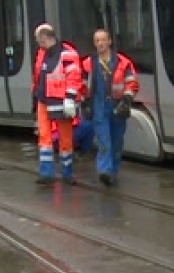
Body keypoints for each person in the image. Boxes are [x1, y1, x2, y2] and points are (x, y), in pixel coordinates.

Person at [81, 28, 140, 187]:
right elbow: (82, 84)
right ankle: (105, 171)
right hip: (98, 106)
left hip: (118, 106)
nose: (100, 43)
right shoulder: (88, 64)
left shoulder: (123, 62)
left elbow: (132, 82)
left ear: (109, 41)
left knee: (117, 141)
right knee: (104, 140)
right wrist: (83, 102)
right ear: (94, 44)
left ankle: (112, 172)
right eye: (97, 41)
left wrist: (127, 99)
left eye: (102, 40)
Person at [31, 23, 82, 185]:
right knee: (44, 138)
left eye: (38, 39)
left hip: (61, 102)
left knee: (65, 139)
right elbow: (38, 76)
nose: (37, 43)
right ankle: (46, 173)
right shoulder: (42, 53)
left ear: (45, 38)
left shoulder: (67, 53)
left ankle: (67, 173)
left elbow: (74, 77)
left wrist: (69, 98)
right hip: (44, 100)